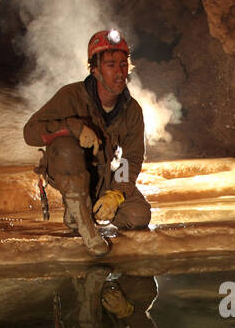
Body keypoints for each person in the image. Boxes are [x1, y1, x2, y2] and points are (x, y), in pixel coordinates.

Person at [23, 29, 152, 257]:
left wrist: (116, 193)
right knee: (66, 147)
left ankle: (80, 209)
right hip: (66, 168)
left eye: (123, 65)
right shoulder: (70, 96)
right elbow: (30, 133)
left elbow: (129, 158)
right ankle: (85, 226)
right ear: (95, 69)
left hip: (101, 175)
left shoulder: (131, 110)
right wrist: (71, 127)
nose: (120, 72)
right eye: (111, 65)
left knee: (137, 215)